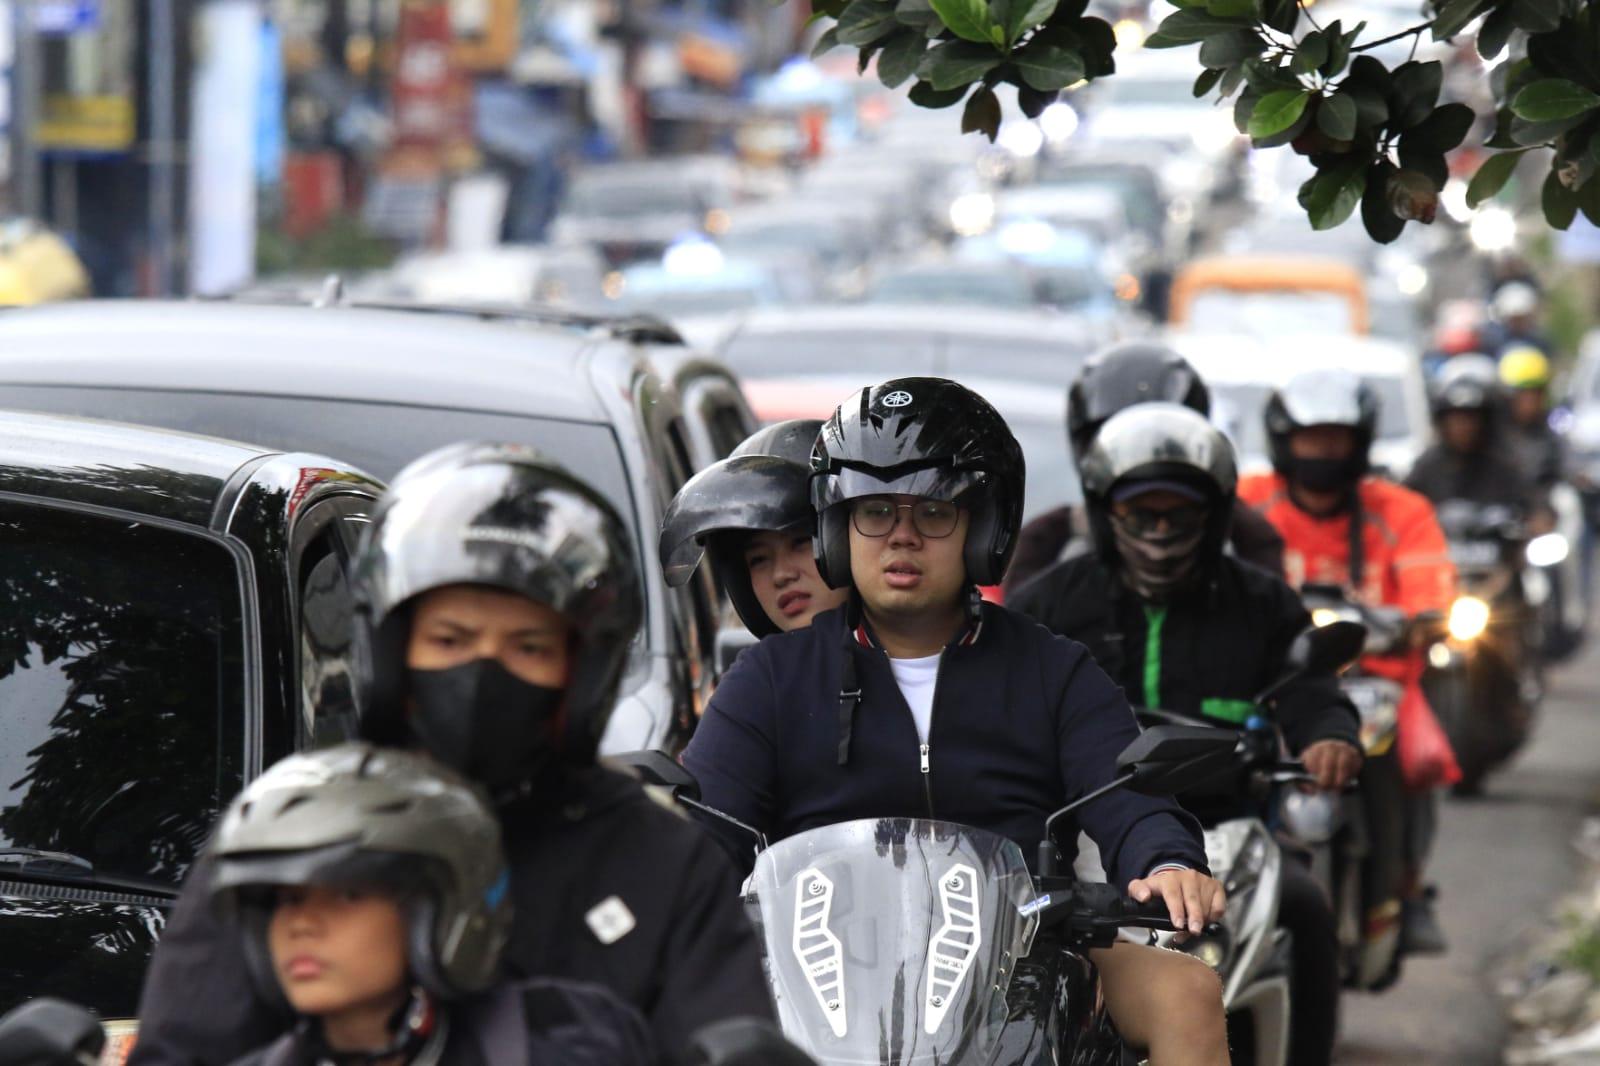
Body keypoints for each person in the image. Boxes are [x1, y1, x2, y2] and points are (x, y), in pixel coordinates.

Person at [131, 443, 773, 1066]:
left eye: (527, 647)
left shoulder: (656, 858)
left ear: (581, 675)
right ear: (391, 653)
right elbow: (186, 1046)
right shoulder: (289, 831)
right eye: (450, 639)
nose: (482, 675)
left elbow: (726, 1039)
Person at [682, 378, 1229, 1065]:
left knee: (1188, 989)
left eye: (933, 512)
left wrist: (1167, 861)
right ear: (836, 527)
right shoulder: (768, 679)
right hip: (813, 972)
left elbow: (1130, 790)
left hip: (1029, 963)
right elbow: (702, 829)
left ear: (985, 529)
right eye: (875, 511)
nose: (902, 537)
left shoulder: (1053, 669)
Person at [1009, 403, 1360, 1066]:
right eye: (1143, 514)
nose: (1161, 532)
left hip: (1227, 827)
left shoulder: (1263, 603)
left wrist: (1328, 735)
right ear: (1104, 512)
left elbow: (1310, 688)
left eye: (1181, 514)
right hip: (1078, 840)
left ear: (1219, 514)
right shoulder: (1046, 607)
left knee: (1306, 905)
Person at [209, 743, 656, 1066]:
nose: (301, 924)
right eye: (287, 900)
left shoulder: (563, 1044)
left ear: (438, 911)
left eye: (348, 895)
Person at [1236, 369, 1457, 955]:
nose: (1324, 452)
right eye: (1312, 438)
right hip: (1275, 680)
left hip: (1376, 685)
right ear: (1285, 438)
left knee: (1420, 759)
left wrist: (1423, 617)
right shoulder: (1249, 501)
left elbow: (1433, 587)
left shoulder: (1402, 510)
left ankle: (1407, 891)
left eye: (1336, 439)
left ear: (1360, 441)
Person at [1002, 342, 1284, 595]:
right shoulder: (1051, 539)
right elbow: (1019, 625)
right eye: (1112, 441)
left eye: (1182, 514)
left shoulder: (1241, 533)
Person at [660, 420, 848, 636]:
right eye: (758, 559)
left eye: (800, 542)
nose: (782, 575)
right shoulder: (760, 669)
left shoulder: (893, 660)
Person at [1406, 359, 1534, 514]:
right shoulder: (1427, 468)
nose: (1464, 427)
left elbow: (1530, 511)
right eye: (1456, 419)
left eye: (1470, 419)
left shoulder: (1505, 466)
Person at [1499, 346, 1565, 494]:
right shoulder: (1492, 435)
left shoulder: (1553, 431)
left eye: (1535, 393)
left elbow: (1566, 468)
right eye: (1522, 394)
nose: (1529, 402)